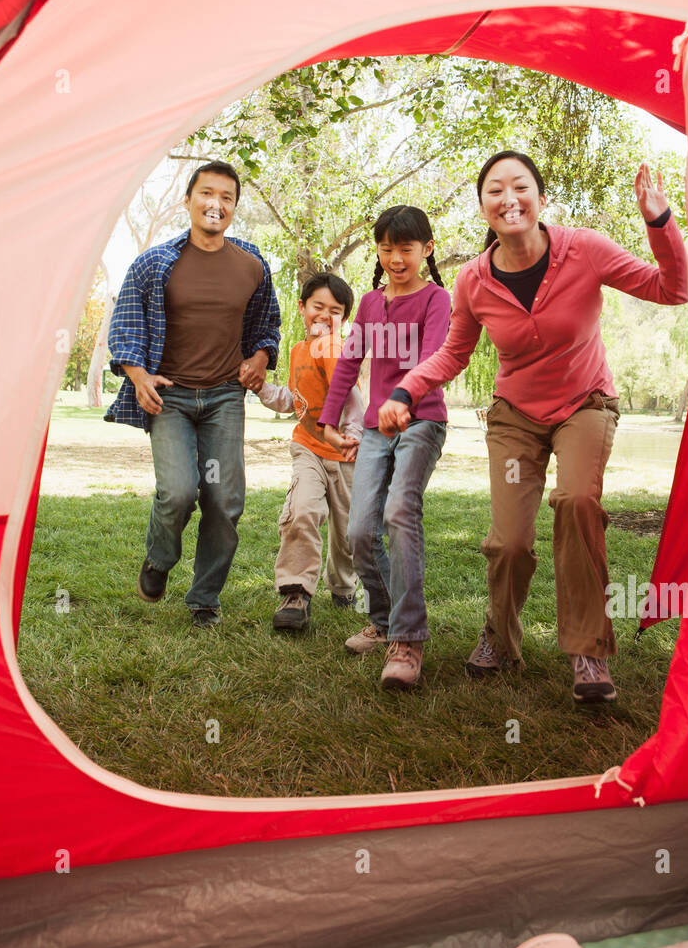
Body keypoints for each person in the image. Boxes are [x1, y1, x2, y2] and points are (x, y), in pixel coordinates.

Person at [379, 151, 688, 703]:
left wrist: (660, 222)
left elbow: (672, 289)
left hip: (584, 405)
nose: (508, 198)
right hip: (516, 416)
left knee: (576, 502)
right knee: (511, 542)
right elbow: (453, 353)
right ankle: (499, 635)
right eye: (494, 191)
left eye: (519, 187)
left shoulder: (585, 249)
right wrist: (407, 389)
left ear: (540, 199)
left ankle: (588, 651)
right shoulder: (474, 280)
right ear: (483, 208)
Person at [104, 161, 281, 628]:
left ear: (235, 208)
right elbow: (124, 329)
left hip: (224, 397)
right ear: (188, 201)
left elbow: (267, 326)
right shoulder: (154, 263)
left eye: (226, 197)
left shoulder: (252, 264)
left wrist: (262, 357)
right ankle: (160, 559)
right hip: (171, 398)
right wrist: (139, 376)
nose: (215, 204)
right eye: (206, 193)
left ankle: (204, 598)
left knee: (224, 501)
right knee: (179, 491)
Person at [319, 205, 452, 691]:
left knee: (399, 512)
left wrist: (405, 398)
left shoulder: (438, 299)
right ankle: (383, 620)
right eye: (387, 248)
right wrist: (328, 421)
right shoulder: (372, 306)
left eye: (406, 248)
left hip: (422, 422)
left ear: (427, 249)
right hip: (376, 429)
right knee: (358, 530)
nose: (396, 258)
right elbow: (349, 365)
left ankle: (409, 637)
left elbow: (438, 355)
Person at [256, 272, 365, 631]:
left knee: (347, 531)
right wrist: (262, 389)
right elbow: (294, 400)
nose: (324, 315)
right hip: (308, 448)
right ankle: (296, 592)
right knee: (302, 510)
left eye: (335, 311)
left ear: (344, 319)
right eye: (317, 306)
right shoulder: (299, 350)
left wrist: (351, 438)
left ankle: (344, 586)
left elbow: (351, 397)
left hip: (345, 453)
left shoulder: (336, 349)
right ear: (302, 308)